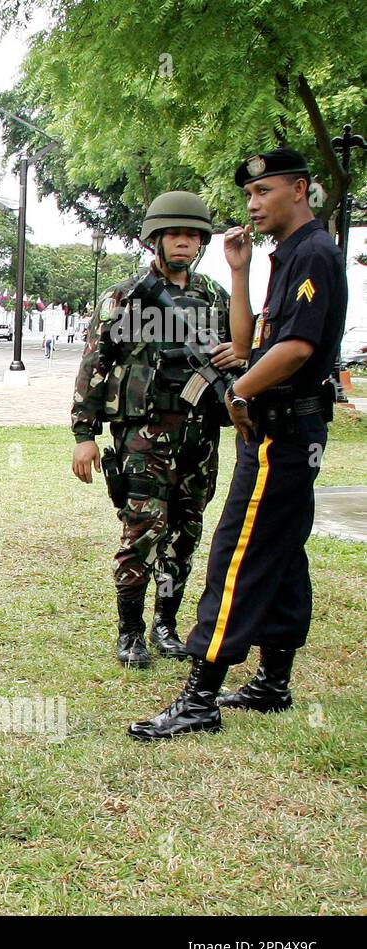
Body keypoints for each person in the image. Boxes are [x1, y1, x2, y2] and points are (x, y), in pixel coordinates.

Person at [130, 149, 346, 740]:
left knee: (239, 551)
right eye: (248, 195)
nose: (251, 205)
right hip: (285, 428)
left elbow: (295, 348)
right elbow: (248, 342)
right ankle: (273, 680)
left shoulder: (315, 254)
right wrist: (241, 273)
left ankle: (200, 696)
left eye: (263, 193)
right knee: (280, 548)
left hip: (283, 430)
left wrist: (240, 395)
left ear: (299, 190)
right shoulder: (288, 256)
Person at [71, 192, 235, 668]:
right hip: (142, 435)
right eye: (175, 235)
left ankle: (166, 624)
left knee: (186, 530)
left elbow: (236, 349)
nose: (184, 243)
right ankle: (131, 632)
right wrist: (84, 434)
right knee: (142, 530)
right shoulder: (126, 296)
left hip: (199, 435)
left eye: (192, 236)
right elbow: (95, 363)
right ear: (155, 240)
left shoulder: (212, 297)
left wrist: (235, 353)